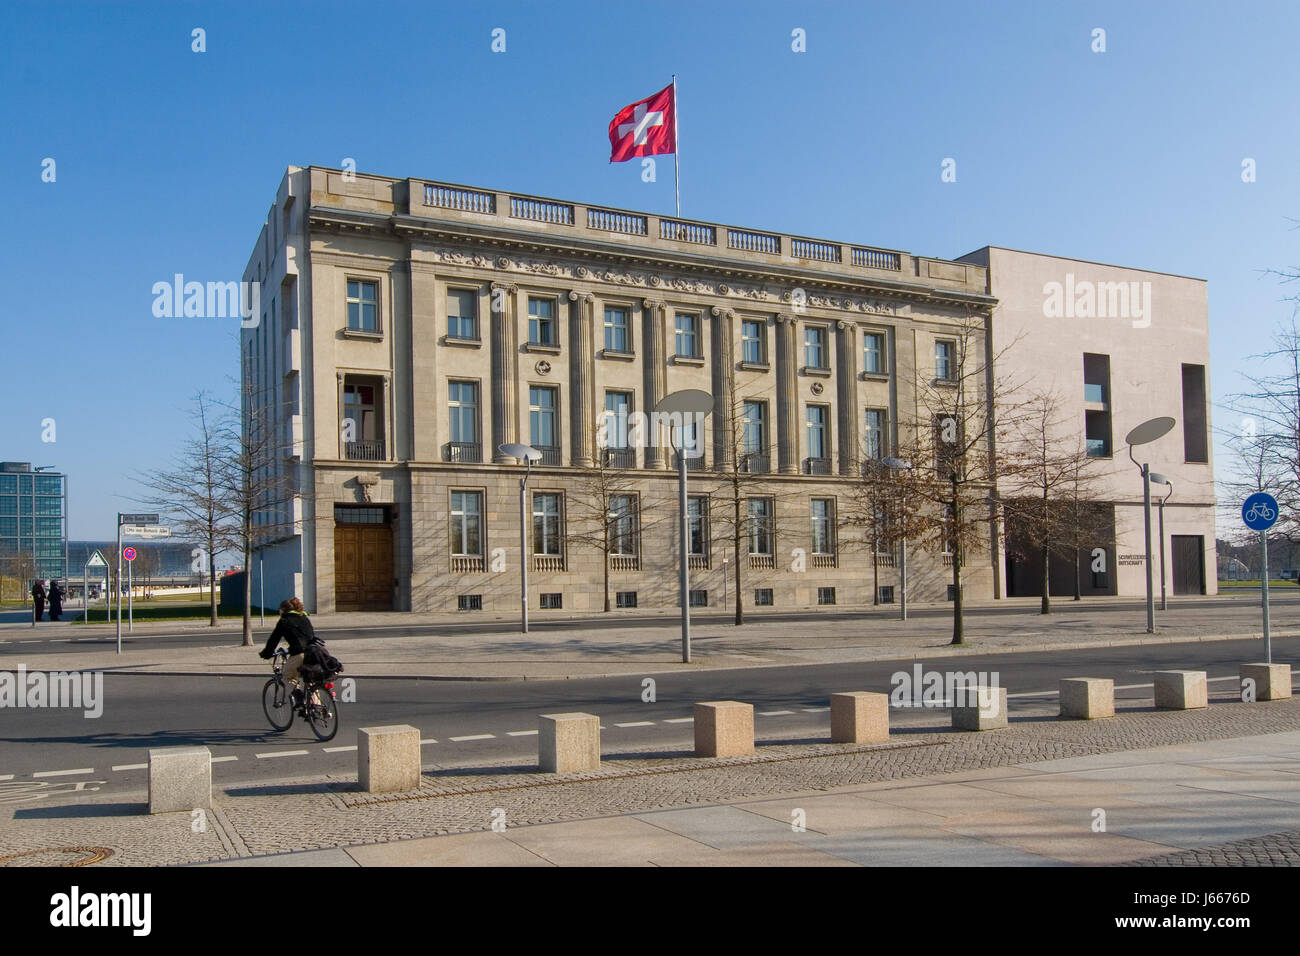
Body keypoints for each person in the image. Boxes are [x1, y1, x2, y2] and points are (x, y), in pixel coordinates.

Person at [258, 597, 317, 712]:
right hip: (314, 653)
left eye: (280, 609)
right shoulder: (304, 617)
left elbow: (274, 639)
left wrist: (266, 653)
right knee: (310, 681)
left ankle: (298, 696)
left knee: (287, 676)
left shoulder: (284, 621)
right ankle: (318, 709)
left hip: (299, 654)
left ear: (284, 610)